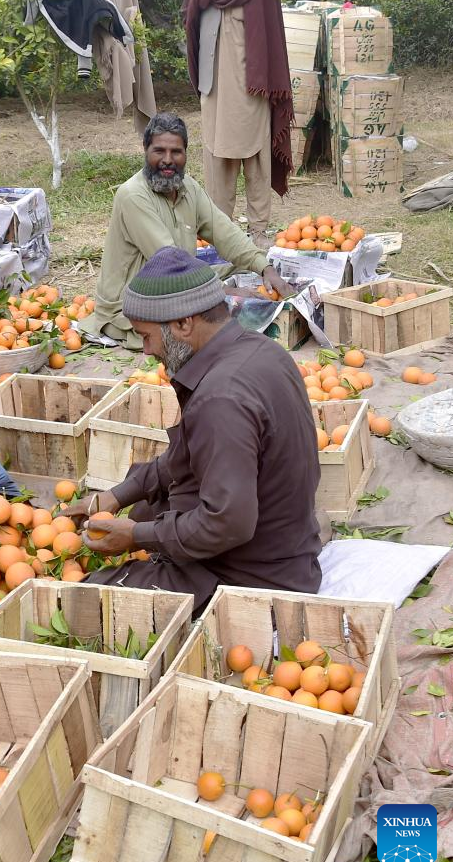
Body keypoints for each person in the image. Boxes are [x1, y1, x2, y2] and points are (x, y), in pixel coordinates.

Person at [67, 247, 322, 615]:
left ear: (184, 324)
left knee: (89, 602)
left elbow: (227, 523)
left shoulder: (220, 398)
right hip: (284, 546)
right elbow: (187, 456)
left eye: (146, 336)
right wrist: (115, 497)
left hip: (255, 577)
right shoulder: (261, 351)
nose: (145, 350)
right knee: (146, 507)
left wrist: (136, 538)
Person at [79, 112, 292, 349]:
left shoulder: (188, 187)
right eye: (159, 151)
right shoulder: (132, 196)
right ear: (145, 150)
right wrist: (225, 292)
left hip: (177, 283)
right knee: (198, 330)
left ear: (186, 154)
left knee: (247, 263)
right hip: (134, 303)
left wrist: (265, 268)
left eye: (176, 152)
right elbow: (170, 262)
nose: (168, 160)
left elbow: (226, 233)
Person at [182, 0, 293, 249]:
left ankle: (259, 231)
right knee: (218, 156)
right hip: (214, 82)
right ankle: (221, 231)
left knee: (257, 157)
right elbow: (192, 30)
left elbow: (273, 29)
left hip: (253, 80)